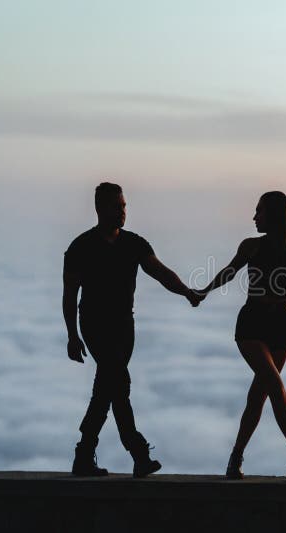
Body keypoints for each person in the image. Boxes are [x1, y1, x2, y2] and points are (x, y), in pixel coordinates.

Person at [194, 191, 286, 482]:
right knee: (275, 386)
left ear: (273, 215)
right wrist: (204, 290)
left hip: (280, 325)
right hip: (251, 322)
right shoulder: (250, 246)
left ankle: (235, 458)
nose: (254, 217)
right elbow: (230, 272)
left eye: (259, 212)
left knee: (258, 396)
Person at [63, 182, 202, 477]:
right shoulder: (80, 247)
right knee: (119, 383)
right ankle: (138, 452)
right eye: (117, 206)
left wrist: (187, 292)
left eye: (124, 205)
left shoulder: (134, 243)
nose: (123, 211)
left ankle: (84, 455)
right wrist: (73, 336)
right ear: (100, 208)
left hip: (125, 327)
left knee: (107, 388)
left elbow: (161, 272)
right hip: (94, 324)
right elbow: (69, 294)